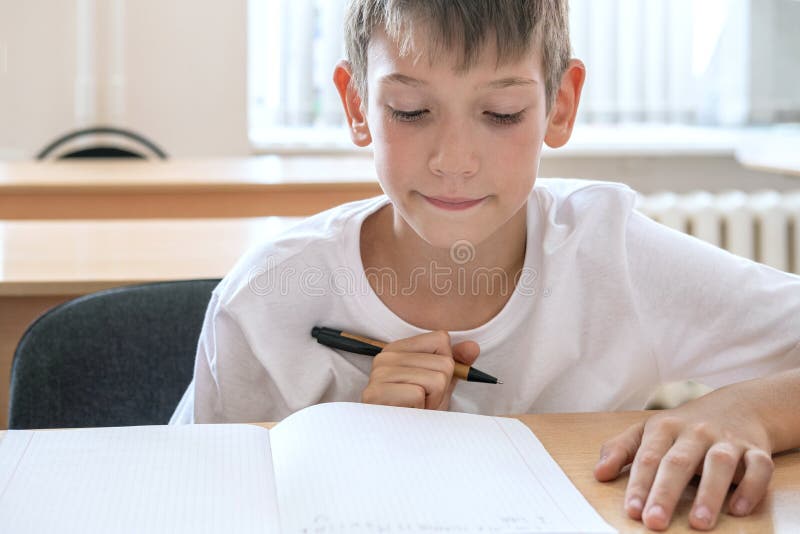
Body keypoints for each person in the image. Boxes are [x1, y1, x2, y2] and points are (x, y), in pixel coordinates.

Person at [171, 0, 800, 530]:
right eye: (411, 112)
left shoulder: (614, 257)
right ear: (358, 104)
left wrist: (748, 410)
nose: (455, 160)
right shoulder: (267, 299)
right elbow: (195, 503)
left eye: (501, 115)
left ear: (559, 105)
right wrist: (357, 442)